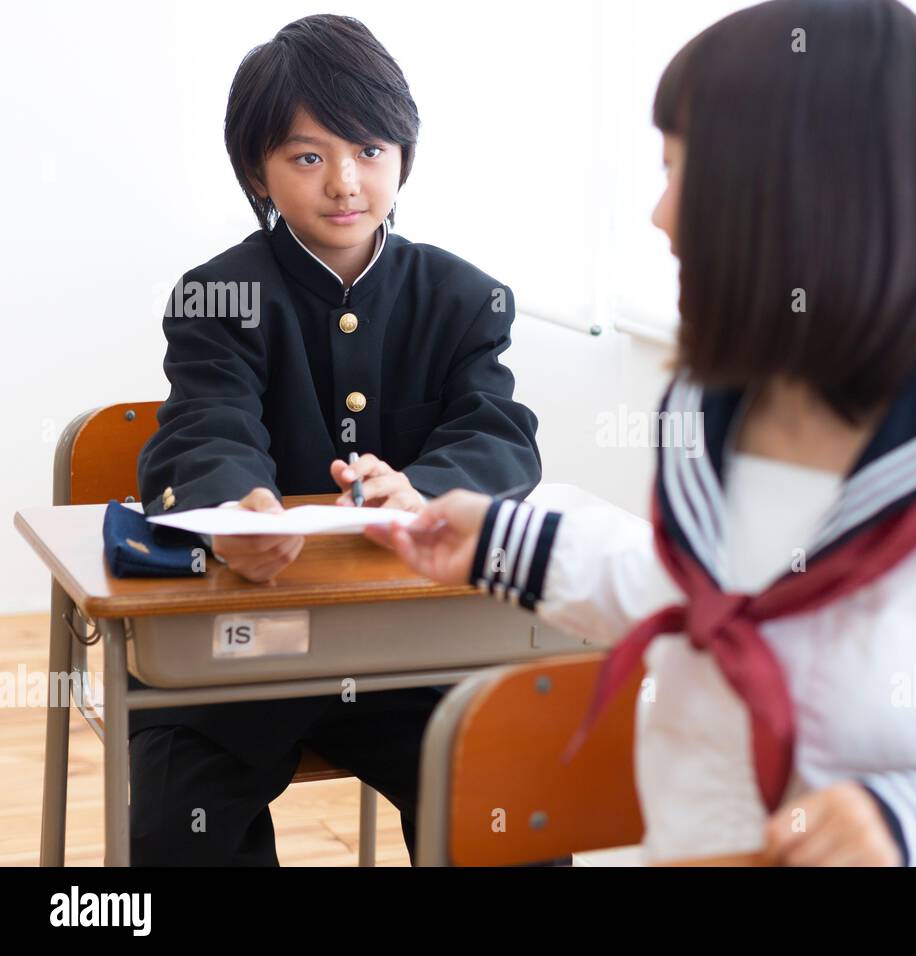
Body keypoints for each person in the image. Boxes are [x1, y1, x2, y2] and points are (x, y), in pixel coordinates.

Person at [366, 0, 916, 865]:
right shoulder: (724, 413)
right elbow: (719, 607)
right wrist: (507, 541)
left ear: (799, 197)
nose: (659, 216)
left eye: (682, 173)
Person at [130, 14, 541, 865]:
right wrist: (234, 509)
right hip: (240, 653)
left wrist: (426, 488)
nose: (346, 182)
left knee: (511, 801)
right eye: (308, 156)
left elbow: (496, 432)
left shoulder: (464, 297)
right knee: (179, 828)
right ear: (258, 170)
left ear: (404, 156)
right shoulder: (218, 294)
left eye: (371, 149)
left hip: (414, 653)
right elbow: (207, 424)